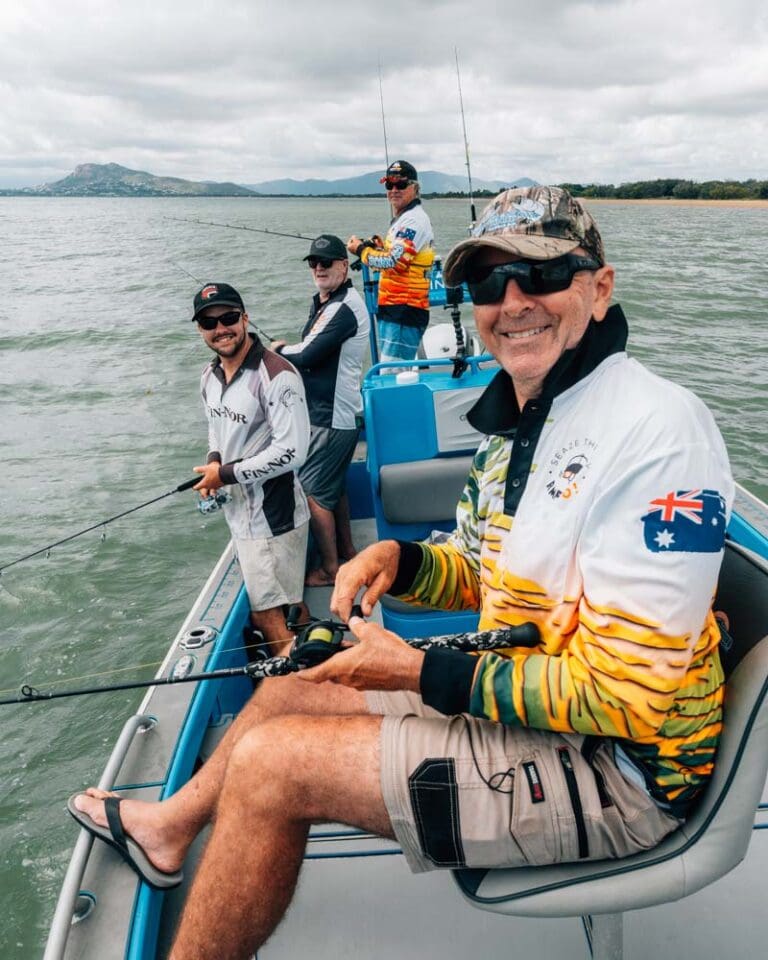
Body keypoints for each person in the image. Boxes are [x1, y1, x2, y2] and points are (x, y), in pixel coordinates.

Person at [69, 188, 733, 960]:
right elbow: (481, 569)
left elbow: (628, 696)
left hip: (619, 773)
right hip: (537, 711)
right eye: (488, 284)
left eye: (541, 275)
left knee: (271, 766)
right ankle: (169, 828)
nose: (512, 302)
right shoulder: (522, 418)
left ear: (600, 286)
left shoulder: (658, 431)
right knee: (295, 681)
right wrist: (399, 560)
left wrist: (419, 671)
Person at [191, 282, 311, 655]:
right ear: (200, 329)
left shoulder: (277, 375)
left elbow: (293, 452)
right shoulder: (209, 376)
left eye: (228, 318)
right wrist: (214, 462)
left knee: (267, 616)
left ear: (245, 318)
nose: (221, 329)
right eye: (210, 323)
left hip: (273, 518)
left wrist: (224, 475)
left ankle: (299, 688)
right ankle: (318, 661)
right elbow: (216, 427)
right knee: (289, 602)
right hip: (240, 515)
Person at [270, 235, 370, 586]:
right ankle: (347, 552)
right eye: (313, 263)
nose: (318, 268)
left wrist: (275, 351)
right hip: (335, 414)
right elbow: (312, 347)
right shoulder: (331, 302)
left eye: (326, 262)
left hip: (331, 417)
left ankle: (330, 570)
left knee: (313, 494)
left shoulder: (343, 307)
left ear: (344, 265)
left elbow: (308, 354)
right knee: (334, 487)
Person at [347, 159, 435, 364]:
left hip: (404, 311)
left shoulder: (413, 220)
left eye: (401, 185)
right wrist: (380, 248)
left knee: (393, 375)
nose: (394, 190)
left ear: (414, 187)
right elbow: (399, 257)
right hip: (395, 309)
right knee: (395, 373)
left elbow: (394, 263)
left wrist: (360, 249)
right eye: (389, 185)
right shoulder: (404, 219)